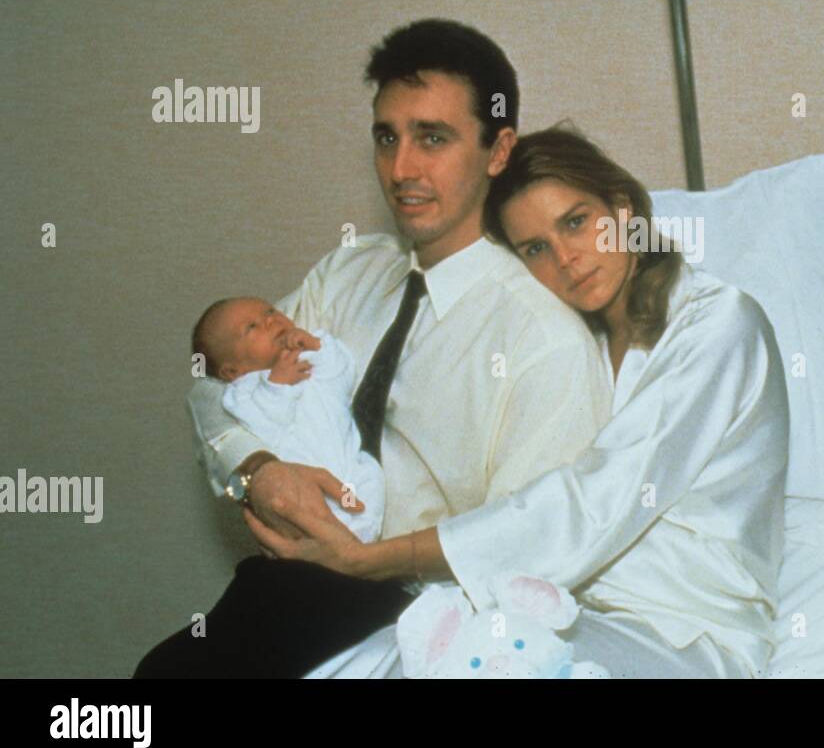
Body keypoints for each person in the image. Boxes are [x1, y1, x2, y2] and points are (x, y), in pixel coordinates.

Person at [134, 20, 610, 678]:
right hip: (288, 588)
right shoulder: (349, 273)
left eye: (432, 138)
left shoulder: (543, 341)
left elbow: (518, 548)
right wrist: (258, 468)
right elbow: (215, 383)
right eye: (387, 137)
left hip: (420, 612)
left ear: (498, 150)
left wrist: (360, 561)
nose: (402, 169)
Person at [247, 127, 792, 678]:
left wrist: (372, 560)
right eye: (535, 249)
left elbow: (595, 500)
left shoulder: (720, 325)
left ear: (622, 209)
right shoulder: (581, 342)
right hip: (556, 606)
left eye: (575, 222)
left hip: (682, 625)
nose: (567, 258)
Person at [190, 296, 384, 543]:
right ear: (232, 371)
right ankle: (337, 546)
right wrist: (277, 386)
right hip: (306, 483)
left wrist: (316, 346)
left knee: (366, 484)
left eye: (270, 311)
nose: (271, 320)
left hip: (348, 469)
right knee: (311, 520)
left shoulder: (306, 359)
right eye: (252, 327)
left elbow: (342, 376)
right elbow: (264, 426)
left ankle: (361, 539)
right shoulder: (244, 393)